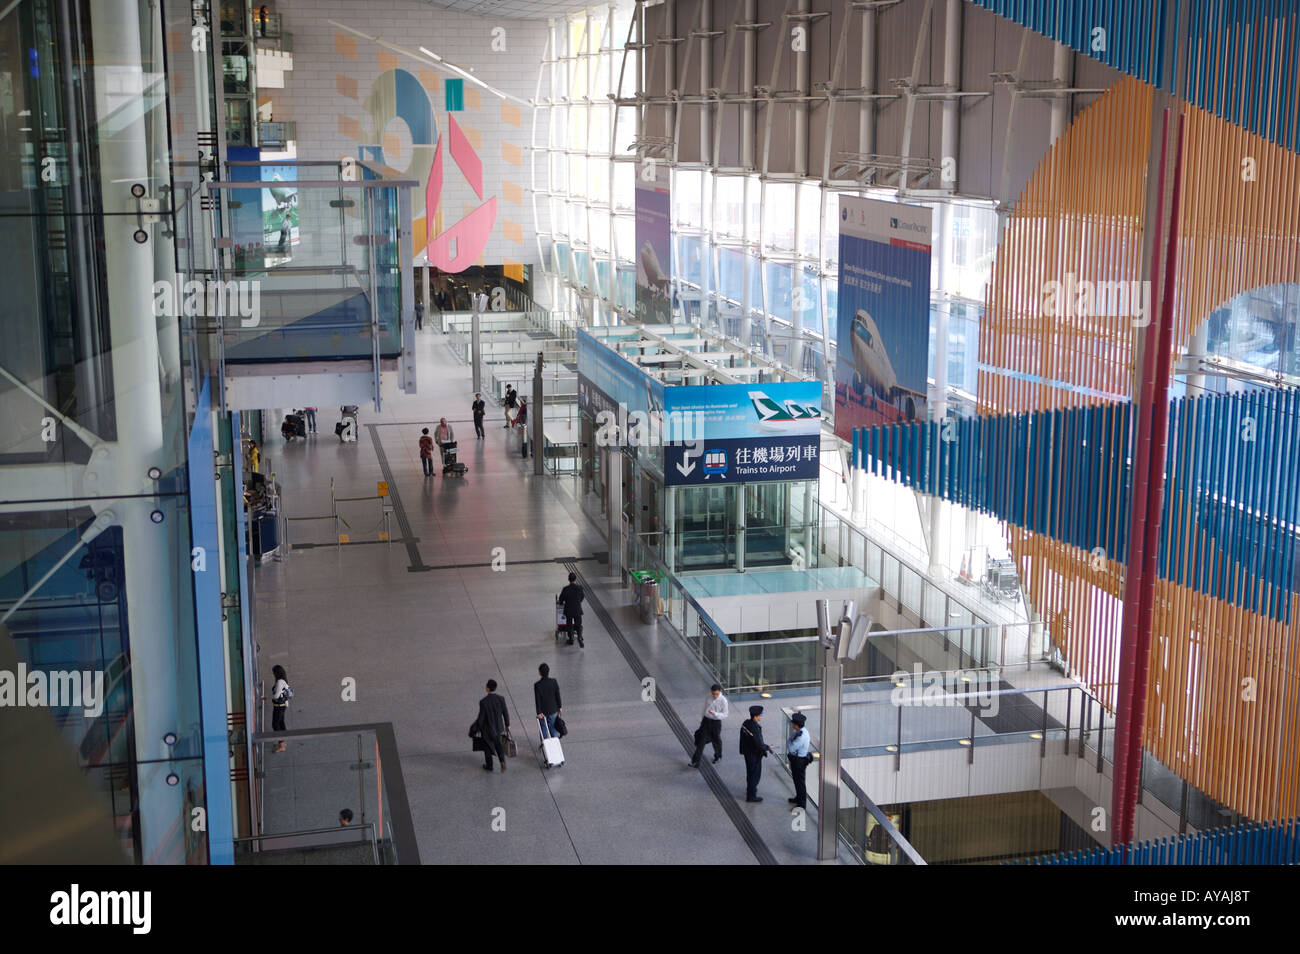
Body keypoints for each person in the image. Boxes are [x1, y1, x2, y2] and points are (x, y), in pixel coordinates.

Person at [689, 684, 729, 767]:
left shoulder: (723, 701)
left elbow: (725, 714)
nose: (715, 696)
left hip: (716, 723)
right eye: (713, 693)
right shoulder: (708, 697)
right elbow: (704, 709)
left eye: (717, 694)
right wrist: (702, 720)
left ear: (720, 692)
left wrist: (716, 714)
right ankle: (695, 761)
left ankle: (718, 756)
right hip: (706, 721)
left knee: (716, 741)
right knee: (701, 741)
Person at [739, 705, 773, 802]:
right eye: (760, 715)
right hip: (754, 754)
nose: (761, 716)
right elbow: (758, 743)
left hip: (747, 753)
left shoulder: (746, 723)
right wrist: (767, 748)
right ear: (755, 717)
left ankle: (750, 789)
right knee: (755, 774)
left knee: (750, 773)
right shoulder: (754, 727)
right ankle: (751, 795)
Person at [476, 679, 511, 772]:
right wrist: (507, 724)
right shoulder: (501, 699)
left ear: (487, 688)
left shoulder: (483, 702)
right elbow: (505, 712)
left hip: (487, 729)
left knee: (487, 747)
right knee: (498, 745)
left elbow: (481, 717)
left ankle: (489, 765)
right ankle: (502, 761)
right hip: (498, 728)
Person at [787, 712, 812, 810]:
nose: (792, 724)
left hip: (799, 761)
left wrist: (790, 741)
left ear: (796, 725)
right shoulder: (799, 732)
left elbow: (790, 747)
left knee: (800, 783)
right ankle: (798, 798)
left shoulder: (801, 736)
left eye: (793, 723)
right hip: (797, 760)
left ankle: (802, 805)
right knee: (797, 781)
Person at [534, 663, 562, 739]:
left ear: (539, 673)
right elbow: (557, 695)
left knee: (543, 728)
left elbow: (537, 700)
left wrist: (539, 712)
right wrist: (559, 706)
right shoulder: (554, 681)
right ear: (548, 671)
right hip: (553, 709)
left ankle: (544, 745)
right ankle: (556, 744)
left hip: (543, 712)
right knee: (553, 728)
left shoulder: (537, 685)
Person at [558, 572, 585, 647]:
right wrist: (578, 602)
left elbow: (561, 599)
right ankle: (579, 637)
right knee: (578, 625)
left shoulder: (565, 589)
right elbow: (582, 597)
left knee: (569, 625)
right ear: (576, 579)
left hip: (568, 610)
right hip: (577, 610)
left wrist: (562, 602)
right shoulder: (580, 588)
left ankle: (571, 639)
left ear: (568, 580)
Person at [271, 665, 292, 754]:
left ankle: (282, 744)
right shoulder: (283, 681)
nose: (273, 674)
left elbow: (277, 695)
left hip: (279, 706)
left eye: (273, 672)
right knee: (281, 723)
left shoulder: (279, 682)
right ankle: (283, 743)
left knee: (275, 724)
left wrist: (269, 697)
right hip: (282, 706)